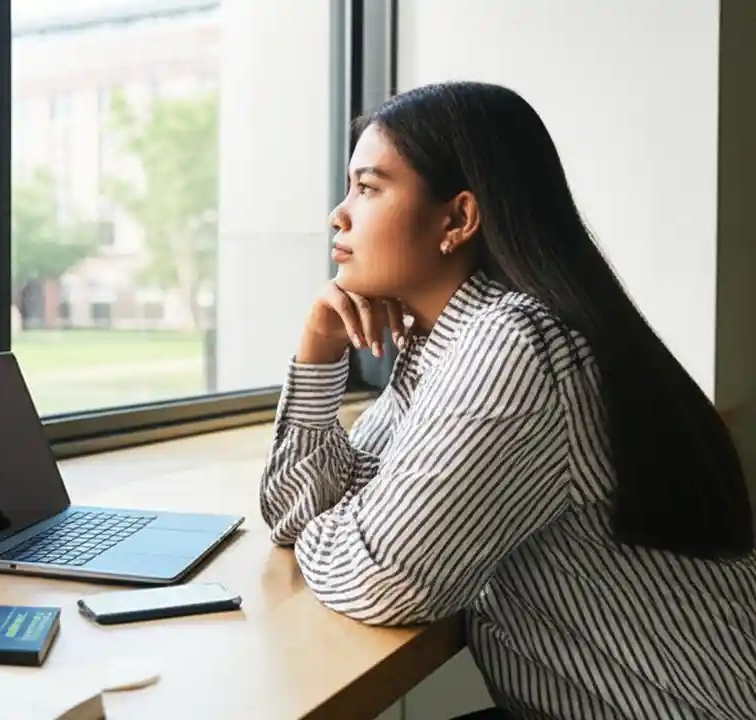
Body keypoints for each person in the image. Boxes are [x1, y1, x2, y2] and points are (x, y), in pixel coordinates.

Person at [258, 81, 756, 719]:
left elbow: (383, 578)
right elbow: (292, 507)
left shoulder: (515, 345)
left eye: (370, 187)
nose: (339, 213)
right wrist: (319, 350)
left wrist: (340, 522)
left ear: (459, 219)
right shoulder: (445, 342)